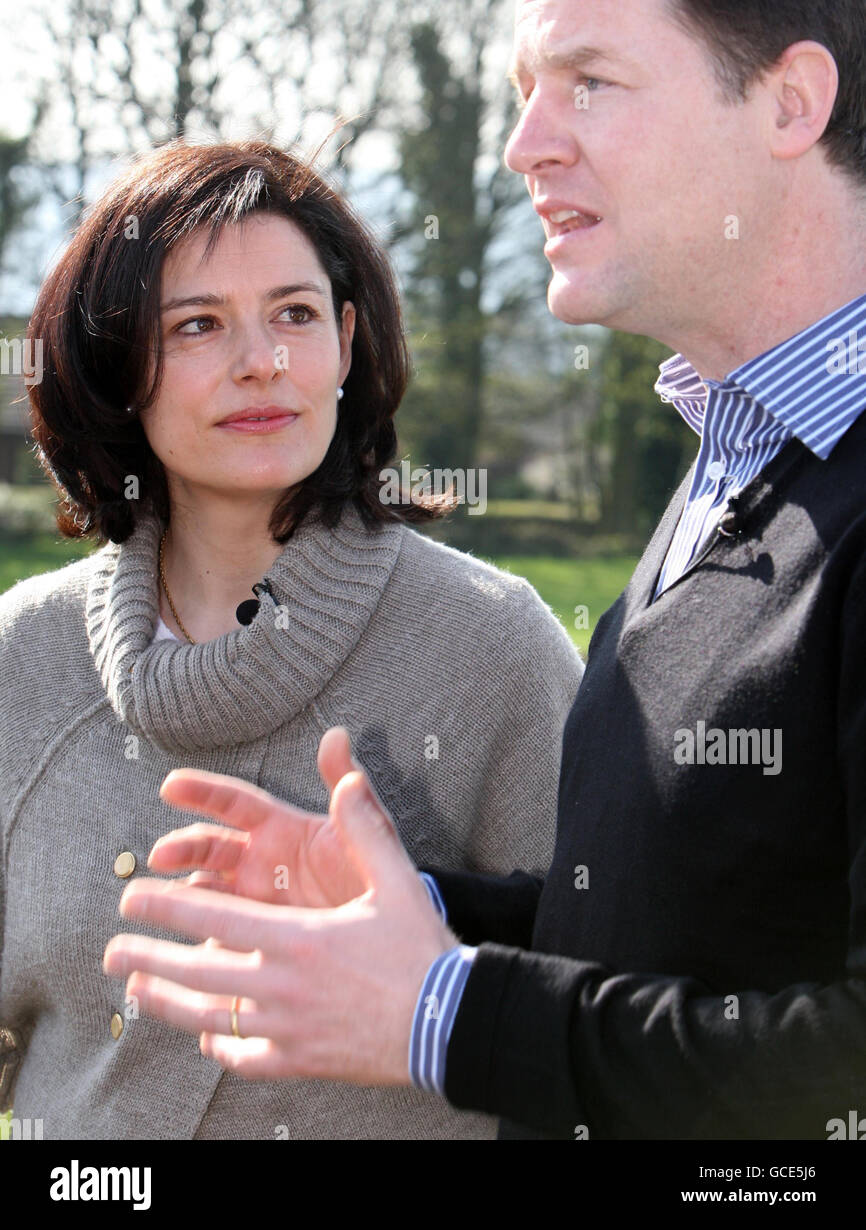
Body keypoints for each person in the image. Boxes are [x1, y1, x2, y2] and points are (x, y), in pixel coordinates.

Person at [102, 0, 866, 1140]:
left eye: (587, 83)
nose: (522, 144)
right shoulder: (732, 460)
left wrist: (447, 1012)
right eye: (525, 91)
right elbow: (686, 929)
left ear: (789, 101)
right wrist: (414, 917)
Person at [0, 139, 583, 1140]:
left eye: (295, 314)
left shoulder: (493, 649)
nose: (261, 360)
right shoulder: (21, 657)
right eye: (197, 325)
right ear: (114, 365)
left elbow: (606, 1032)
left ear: (349, 340)